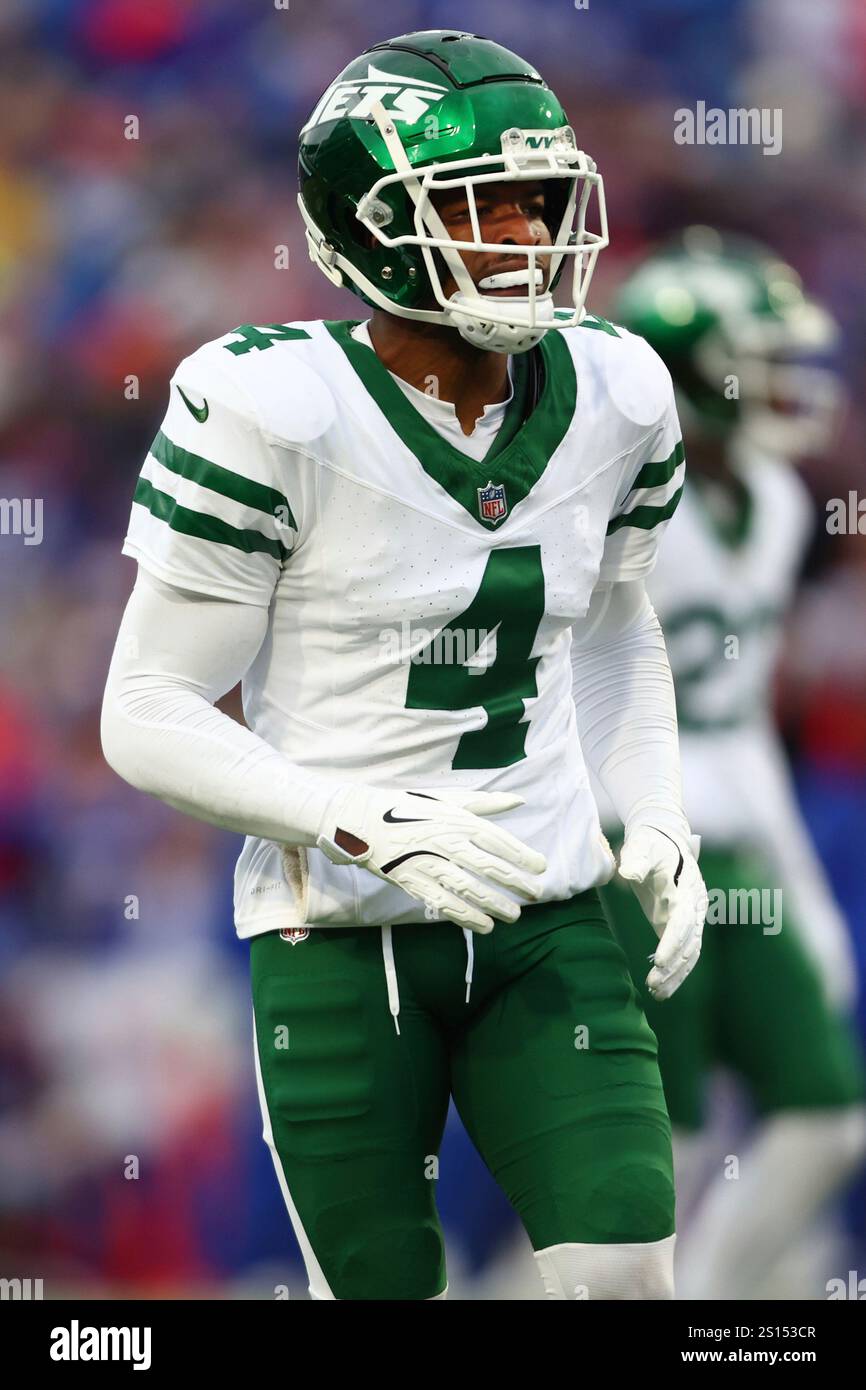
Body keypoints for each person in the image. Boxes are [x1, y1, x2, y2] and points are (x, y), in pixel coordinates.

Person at [101, 29, 707, 1301]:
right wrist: (352, 815)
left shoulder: (616, 387)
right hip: (337, 930)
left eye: (537, 201)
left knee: (627, 1279)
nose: (525, 236)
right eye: (480, 206)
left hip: (547, 913)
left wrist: (653, 809)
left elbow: (610, 621)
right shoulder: (269, 406)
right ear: (365, 225)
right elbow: (145, 707)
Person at [597, 226, 866, 1300]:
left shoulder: (779, 501)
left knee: (825, 1114)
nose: (786, 384)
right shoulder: (603, 500)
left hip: (732, 837)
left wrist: (801, 886)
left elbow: (740, 717)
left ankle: (706, 1304)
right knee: (665, 1135)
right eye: (760, 360)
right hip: (626, 835)